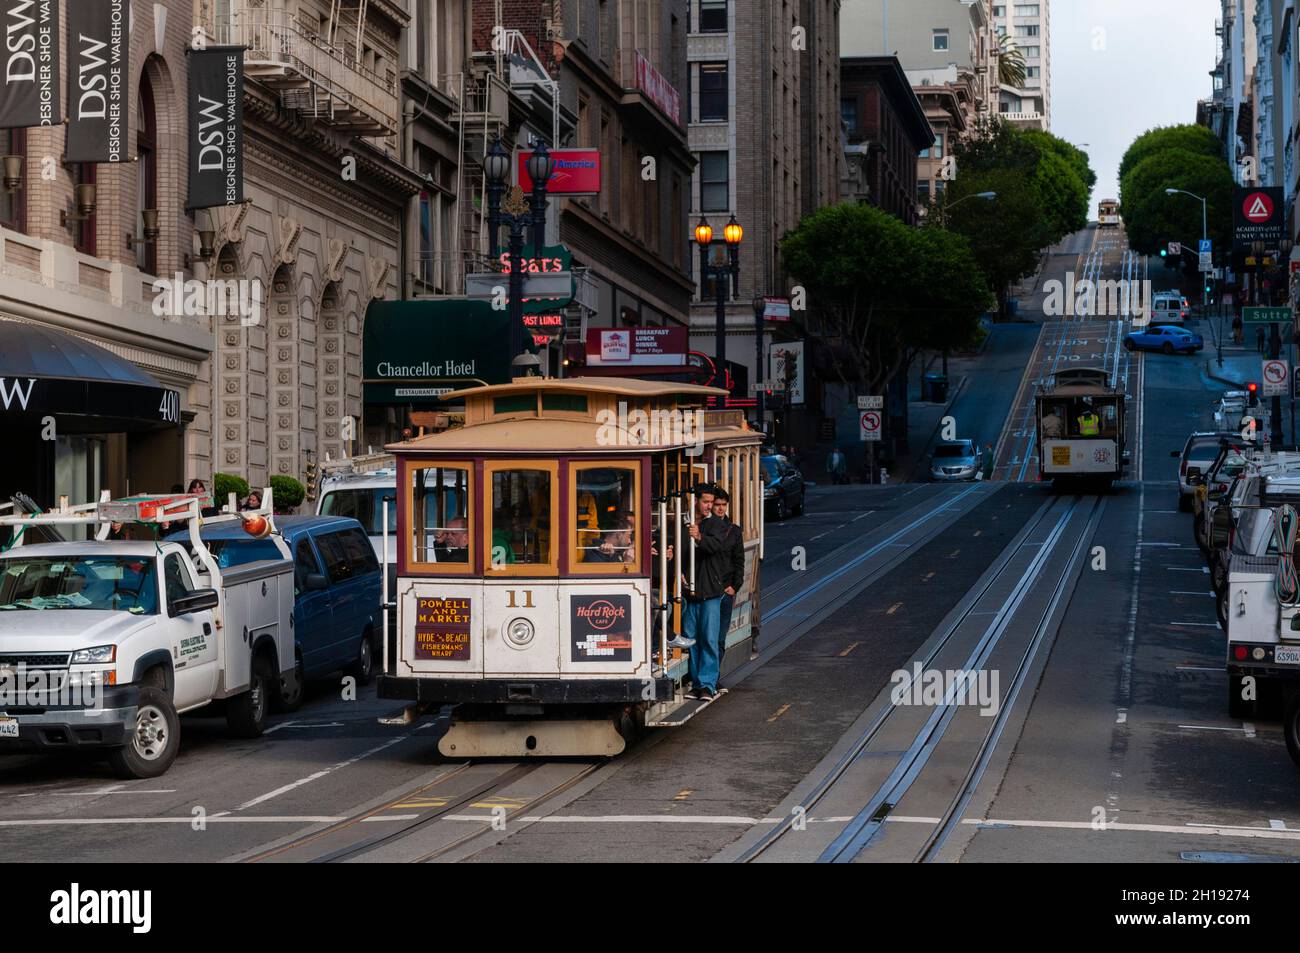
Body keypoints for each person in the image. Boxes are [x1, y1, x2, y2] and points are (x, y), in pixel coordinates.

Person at [683, 486, 728, 699]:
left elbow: (714, 546)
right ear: (695, 501)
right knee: (692, 639)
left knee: (709, 639)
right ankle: (696, 682)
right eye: (706, 502)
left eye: (712, 502)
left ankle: (708, 685)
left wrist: (699, 537)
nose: (710, 506)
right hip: (689, 592)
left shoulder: (717, 525)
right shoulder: (683, 523)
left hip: (710, 591)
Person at [711, 489, 745, 668]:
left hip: (726, 591)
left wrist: (734, 586)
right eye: (717, 505)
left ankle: (714, 677)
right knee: (708, 638)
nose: (721, 509)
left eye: (724, 505)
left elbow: (739, 560)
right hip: (709, 590)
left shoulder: (734, 531)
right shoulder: (704, 528)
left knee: (720, 637)